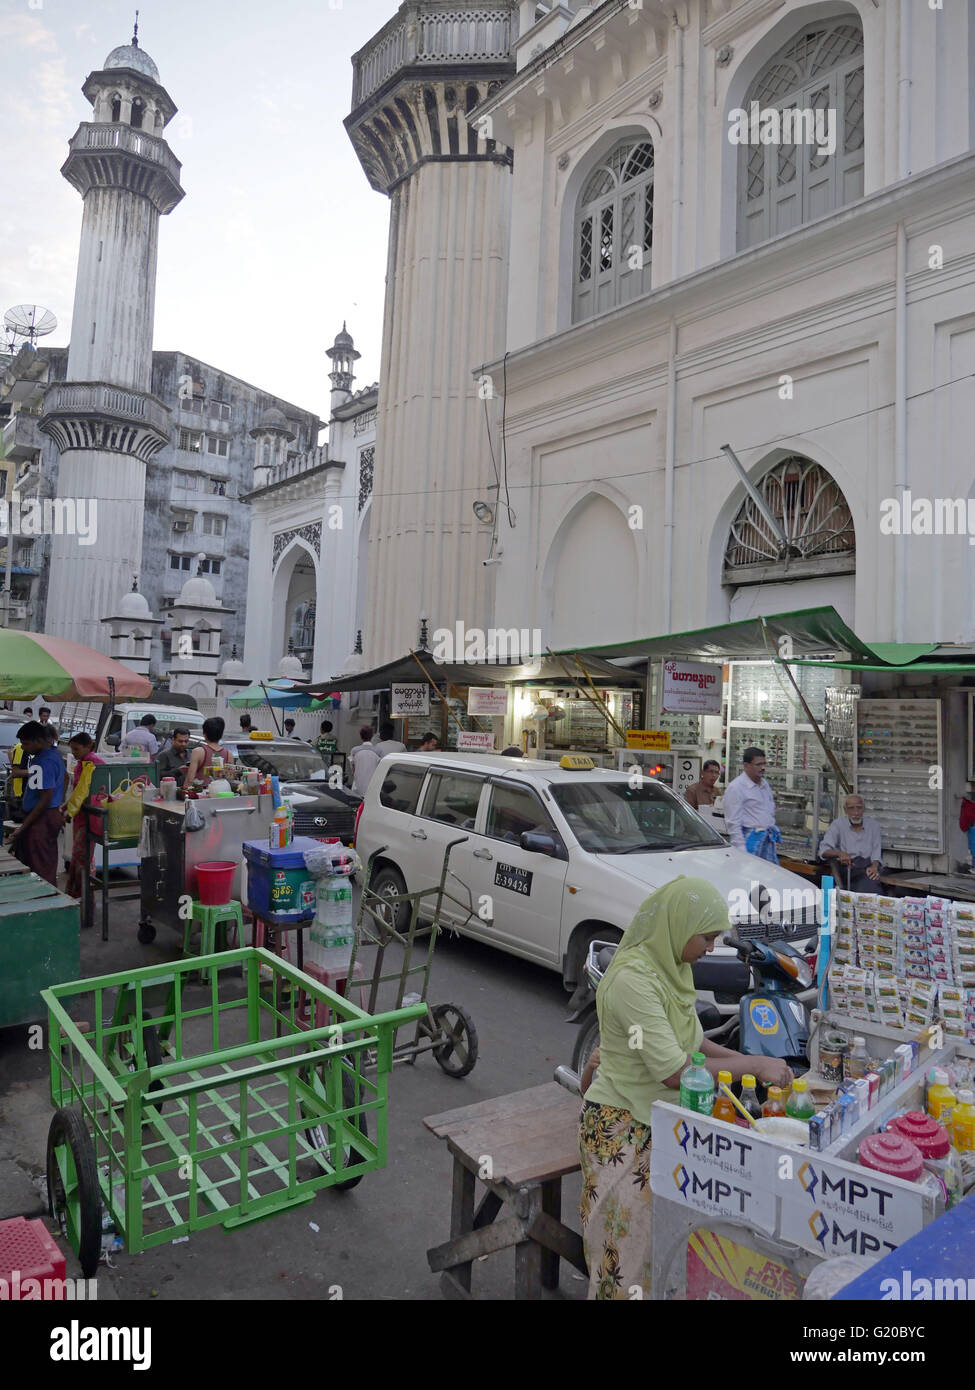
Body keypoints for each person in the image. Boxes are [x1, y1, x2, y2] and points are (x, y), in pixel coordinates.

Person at [578, 877, 793, 1300]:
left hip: (666, 1120)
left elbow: (692, 1043)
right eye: (707, 937)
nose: (711, 948)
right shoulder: (632, 982)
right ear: (680, 925)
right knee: (626, 1259)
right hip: (622, 1128)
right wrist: (754, 1064)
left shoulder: (671, 965)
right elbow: (674, 1070)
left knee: (671, 1249)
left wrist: (751, 1063)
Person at [7, 720, 66, 886]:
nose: (23, 748)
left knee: (40, 868)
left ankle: (45, 904)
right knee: (39, 862)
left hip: (42, 819)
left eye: (25, 744)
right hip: (48, 815)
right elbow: (66, 778)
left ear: (38, 741)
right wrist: (59, 804)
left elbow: (45, 799)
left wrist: (23, 827)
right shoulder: (53, 754)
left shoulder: (43, 762)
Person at [60, 732, 104, 899]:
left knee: (81, 857)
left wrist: (69, 811)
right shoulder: (82, 762)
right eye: (72, 749)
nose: (74, 753)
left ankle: (82, 895)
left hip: (90, 816)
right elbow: (78, 791)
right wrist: (67, 806)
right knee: (81, 856)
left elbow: (84, 793)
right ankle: (78, 894)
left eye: (77, 749)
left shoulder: (92, 762)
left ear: (88, 747)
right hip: (83, 814)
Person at [722, 746, 781, 862]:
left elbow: (769, 812)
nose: (763, 768)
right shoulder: (736, 787)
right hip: (749, 841)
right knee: (752, 878)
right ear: (746, 766)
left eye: (764, 764)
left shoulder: (764, 784)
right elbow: (733, 823)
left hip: (766, 840)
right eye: (758, 764)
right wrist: (741, 851)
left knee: (768, 877)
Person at [820, 793, 883, 892]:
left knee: (875, 879)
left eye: (859, 808)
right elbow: (823, 850)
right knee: (867, 884)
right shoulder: (837, 825)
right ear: (845, 810)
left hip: (868, 866)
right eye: (851, 808)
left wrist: (874, 866)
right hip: (849, 867)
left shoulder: (873, 825)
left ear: (864, 809)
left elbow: (876, 850)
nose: (856, 812)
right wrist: (840, 853)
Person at [182, 717, 232, 790]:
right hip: (222, 795)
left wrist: (184, 791)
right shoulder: (229, 754)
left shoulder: (198, 752)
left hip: (201, 796)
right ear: (221, 734)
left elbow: (190, 780)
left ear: (204, 733)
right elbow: (230, 779)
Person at [348, 725, 381, 797]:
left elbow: (353, 768)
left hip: (357, 787)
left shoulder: (354, 750)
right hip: (373, 788)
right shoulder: (378, 751)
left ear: (360, 736)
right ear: (372, 736)